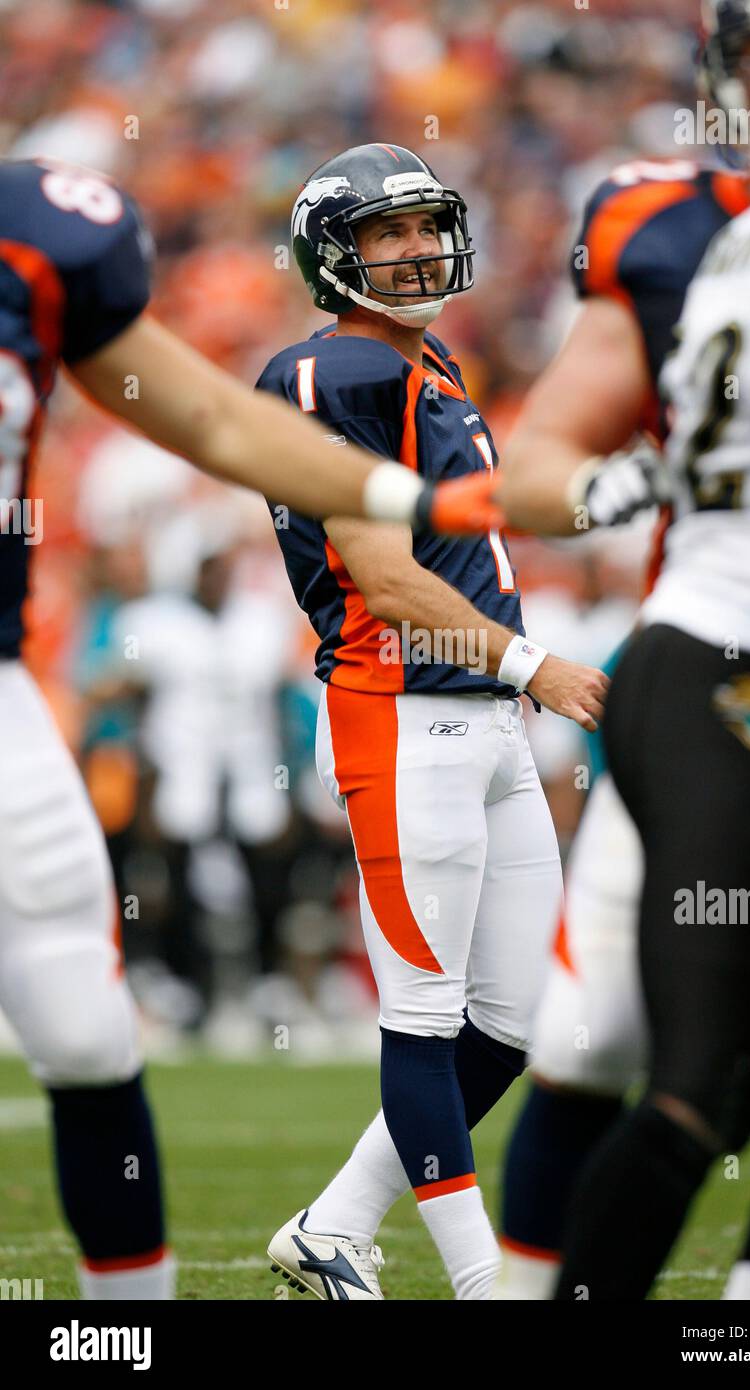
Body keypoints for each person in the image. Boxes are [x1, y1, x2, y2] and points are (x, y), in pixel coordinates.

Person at [0, 155, 495, 1300]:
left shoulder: (39, 229)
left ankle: (131, 1329)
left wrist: (406, 499)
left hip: (3, 688)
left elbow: (217, 417)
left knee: (84, 1026)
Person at [493, 0, 750, 1299]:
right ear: (723, 74)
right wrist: (626, 485)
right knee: (616, 1047)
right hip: (735, 671)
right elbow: (540, 457)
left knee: (725, 1056)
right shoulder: (689, 223)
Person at [255, 142, 607, 1300]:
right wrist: (534, 661)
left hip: (485, 722)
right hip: (398, 716)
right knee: (422, 1017)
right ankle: (481, 1282)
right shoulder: (324, 377)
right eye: (382, 234)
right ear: (329, 256)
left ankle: (335, 1225)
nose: (412, 251)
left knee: (511, 1023)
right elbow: (389, 582)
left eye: (422, 226)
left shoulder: (431, 363)